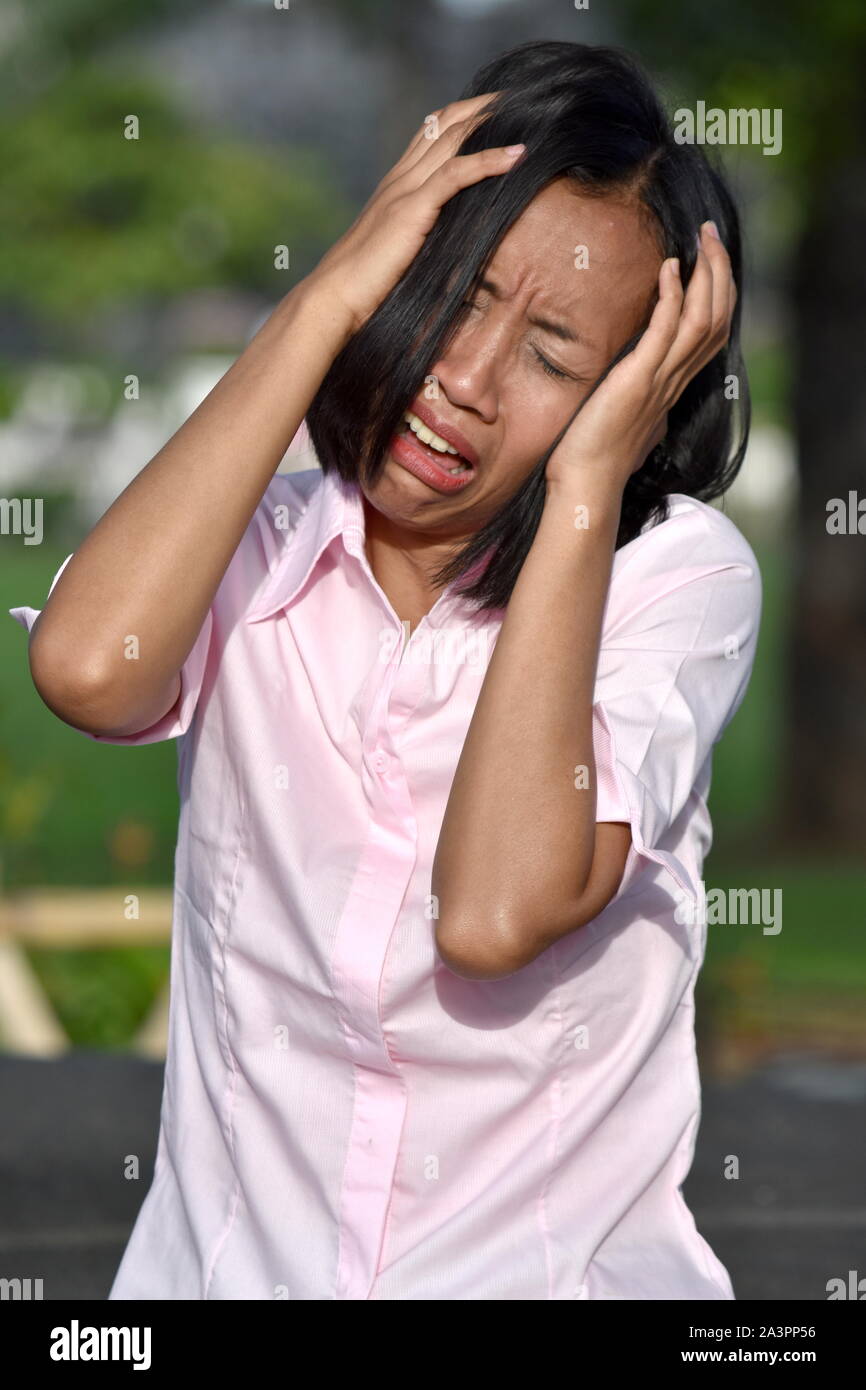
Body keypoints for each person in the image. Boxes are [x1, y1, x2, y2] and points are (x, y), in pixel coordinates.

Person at [11, 40, 761, 1300]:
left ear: (634, 396)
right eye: (462, 295)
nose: (465, 384)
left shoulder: (672, 584)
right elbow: (88, 671)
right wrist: (321, 304)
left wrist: (584, 489)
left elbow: (490, 915)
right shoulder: (254, 546)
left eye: (555, 357)